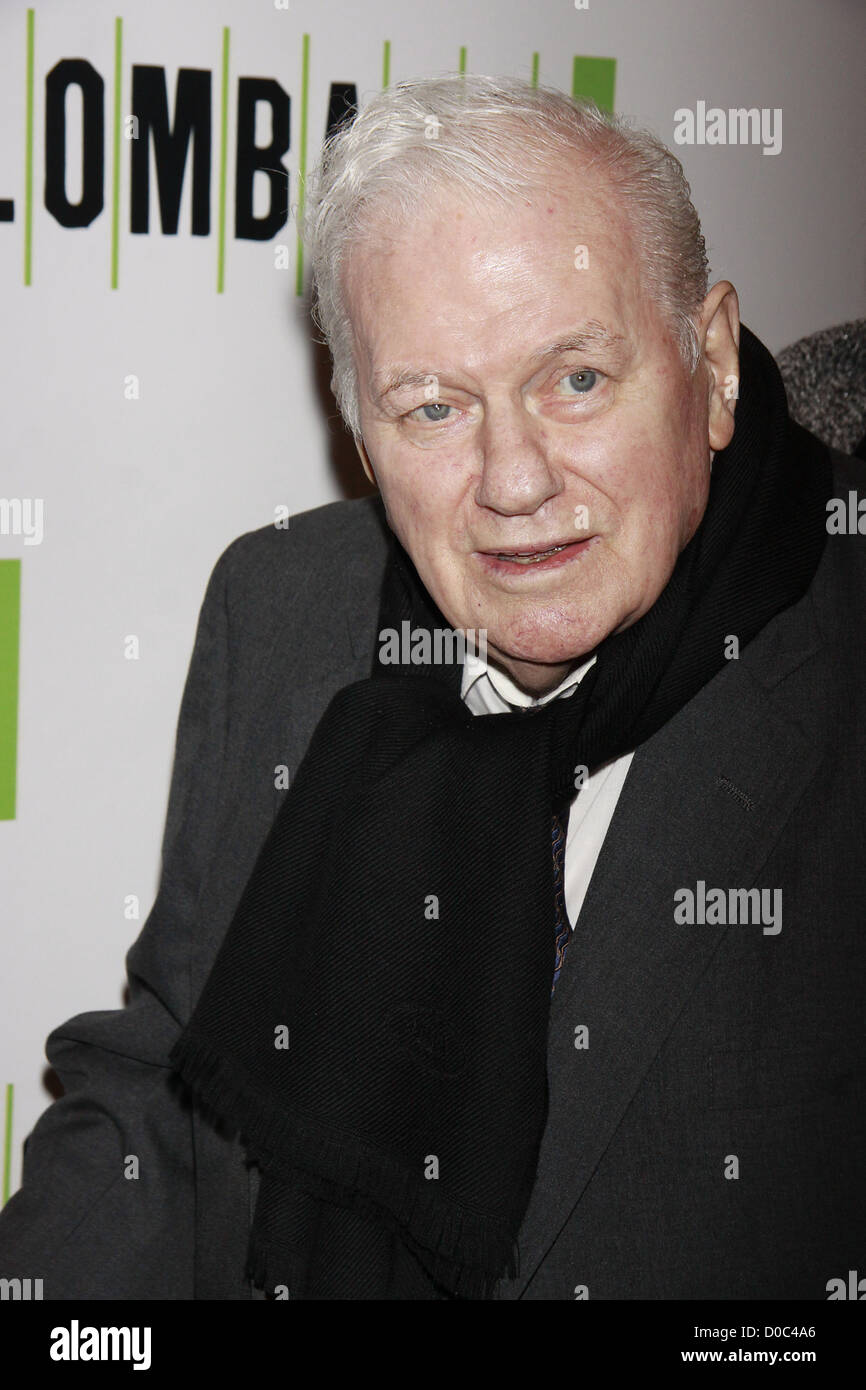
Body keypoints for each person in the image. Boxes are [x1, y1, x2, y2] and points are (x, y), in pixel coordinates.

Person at [1, 74, 864, 1301]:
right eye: (432, 407)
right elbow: (165, 1087)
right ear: (357, 431)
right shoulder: (282, 608)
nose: (513, 478)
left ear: (711, 362)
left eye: (575, 379)